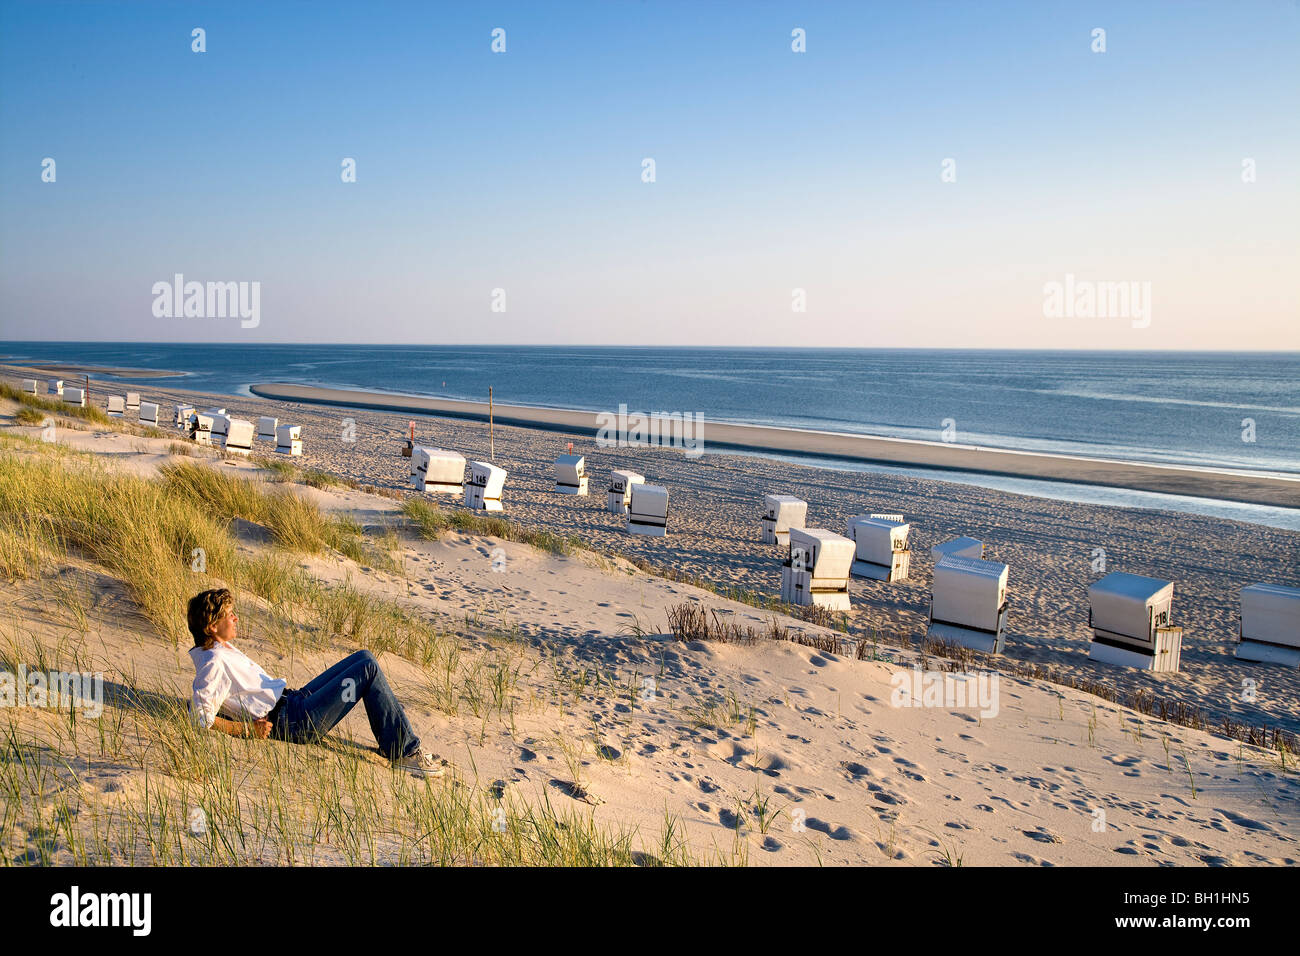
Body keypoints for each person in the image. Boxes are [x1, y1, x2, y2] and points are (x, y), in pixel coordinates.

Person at [186, 588, 446, 776]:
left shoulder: (219, 650)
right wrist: (246, 730)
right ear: (211, 627)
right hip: (297, 723)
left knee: (365, 656)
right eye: (229, 615)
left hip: (295, 700)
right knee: (367, 670)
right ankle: (404, 752)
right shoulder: (213, 663)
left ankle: (394, 743)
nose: (235, 618)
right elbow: (199, 717)